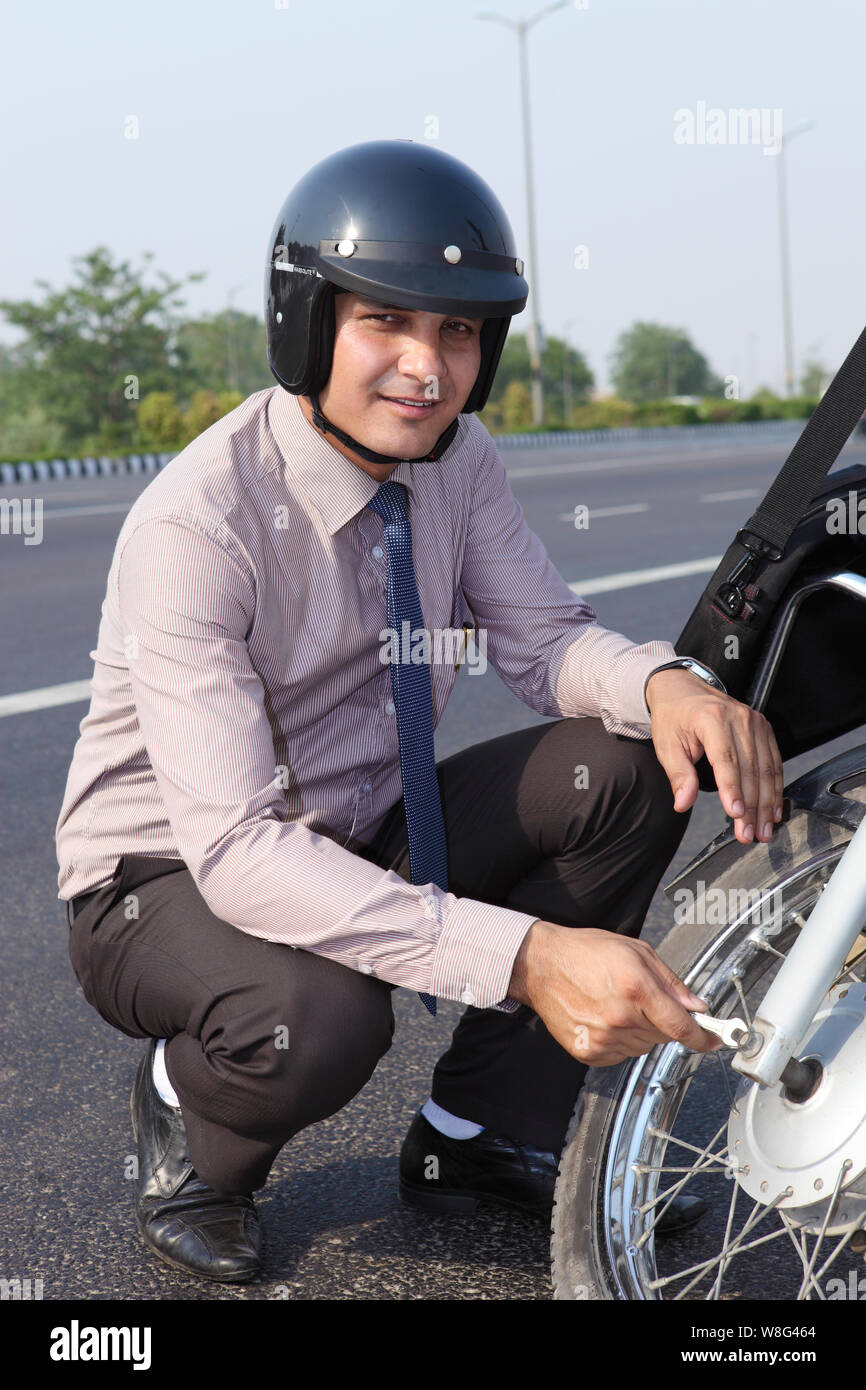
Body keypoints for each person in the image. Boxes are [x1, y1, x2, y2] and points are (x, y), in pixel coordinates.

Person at [55, 139, 784, 1286]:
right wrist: (529, 956)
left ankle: (478, 1139)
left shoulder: (455, 458)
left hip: (364, 818)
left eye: (457, 332)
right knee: (323, 1016)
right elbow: (241, 851)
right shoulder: (197, 526)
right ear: (304, 322)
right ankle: (188, 1125)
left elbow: (542, 640)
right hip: (167, 874)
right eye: (384, 322)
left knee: (629, 764)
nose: (425, 368)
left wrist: (662, 683)